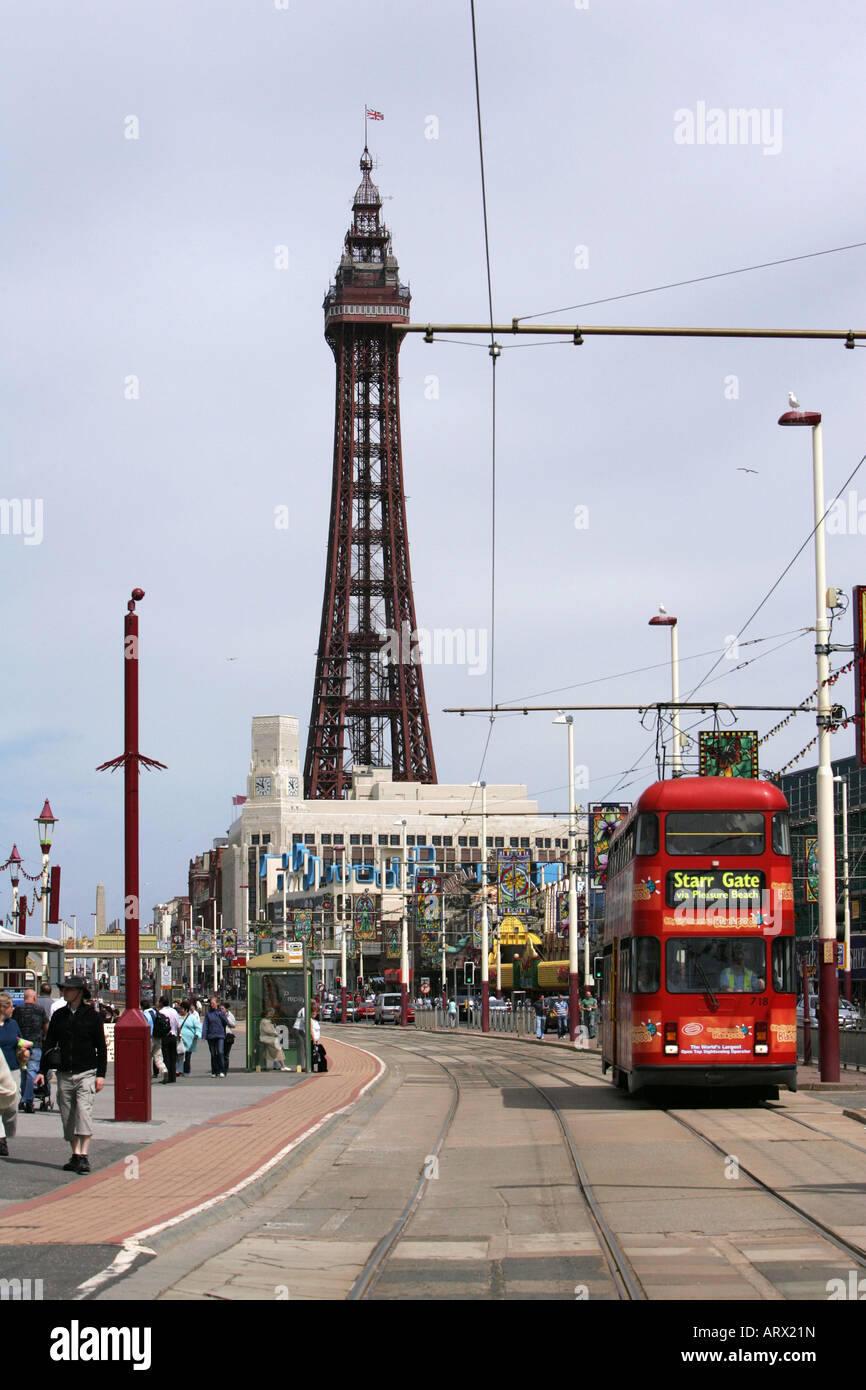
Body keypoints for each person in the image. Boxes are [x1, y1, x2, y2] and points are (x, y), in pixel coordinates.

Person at [36, 975, 107, 1174]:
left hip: (86, 1072)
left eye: (68, 989)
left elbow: (100, 1047)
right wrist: (42, 1071)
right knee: (67, 1117)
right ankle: (75, 1154)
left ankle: (83, 1155)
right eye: (64, 989)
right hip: (64, 1073)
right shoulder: (59, 1016)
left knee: (84, 1112)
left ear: (78, 992)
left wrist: (100, 1074)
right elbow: (49, 1044)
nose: (64, 992)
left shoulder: (92, 1016)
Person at [0, 993, 29, 1156]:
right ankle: (1, 1139)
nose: (13, 1009)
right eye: (11, 1006)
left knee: (12, 1106)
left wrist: (23, 1052)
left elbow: (20, 1042)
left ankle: (7, 1134)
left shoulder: (13, 1024)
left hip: (13, 1068)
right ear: (3, 1008)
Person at [13, 987, 46, 1114]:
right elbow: (46, 1025)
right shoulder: (40, 1010)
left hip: (21, 1044)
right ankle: (28, 1100)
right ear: (34, 998)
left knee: (23, 1072)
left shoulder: (18, 1010)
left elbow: (14, 1025)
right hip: (36, 1044)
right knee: (32, 1072)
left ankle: (23, 1098)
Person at [201, 995, 229, 1077]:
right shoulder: (208, 1013)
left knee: (220, 1052)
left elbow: (226, 1022)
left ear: (217, 1004)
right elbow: (205, 1025)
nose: (212, 1005)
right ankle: (214, 1071)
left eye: (213, 1003)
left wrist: (221, 1015)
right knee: (213, 1054)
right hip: (211, 1036)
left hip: (220, 1035)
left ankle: (222, 1070)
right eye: (211, 1003)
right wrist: (204, 1035)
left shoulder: (220, 1012)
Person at [157, 996, 181, 1083]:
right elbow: (178, 1025)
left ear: (161, 1003)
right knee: (173, 1057)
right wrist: (179, 1035)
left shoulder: (161, 1012)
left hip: (165, 1036)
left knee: (166, 1057)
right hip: (173, 1036)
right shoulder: (174, 1011)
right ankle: (173, 1077)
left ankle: (166, 1077)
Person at [178, 999, 202, 1076]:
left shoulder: (192, 1018)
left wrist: (197, 1034)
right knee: (179, 1056)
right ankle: (179, 1070)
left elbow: (198, 1027)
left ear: (186, 1010)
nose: (180, 1010)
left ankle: (186, 1071)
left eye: (182, 1009)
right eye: (180, 1008)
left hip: (189, 1041)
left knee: (187, 1056)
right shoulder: (177, 1017)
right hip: (179, 1040)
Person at [222, 1002, 237, 1073]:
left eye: (222, 1008)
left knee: (226, 1054)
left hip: (228, 1036)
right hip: (220, 1035)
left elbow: (234, 1025)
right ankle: (220, 1068)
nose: (221, 1010)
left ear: (226, 1009)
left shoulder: (230, 1015)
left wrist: (226, 1019)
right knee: (219, 1052)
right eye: (220, 1008)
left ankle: (225, 1069)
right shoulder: (218, 1014)